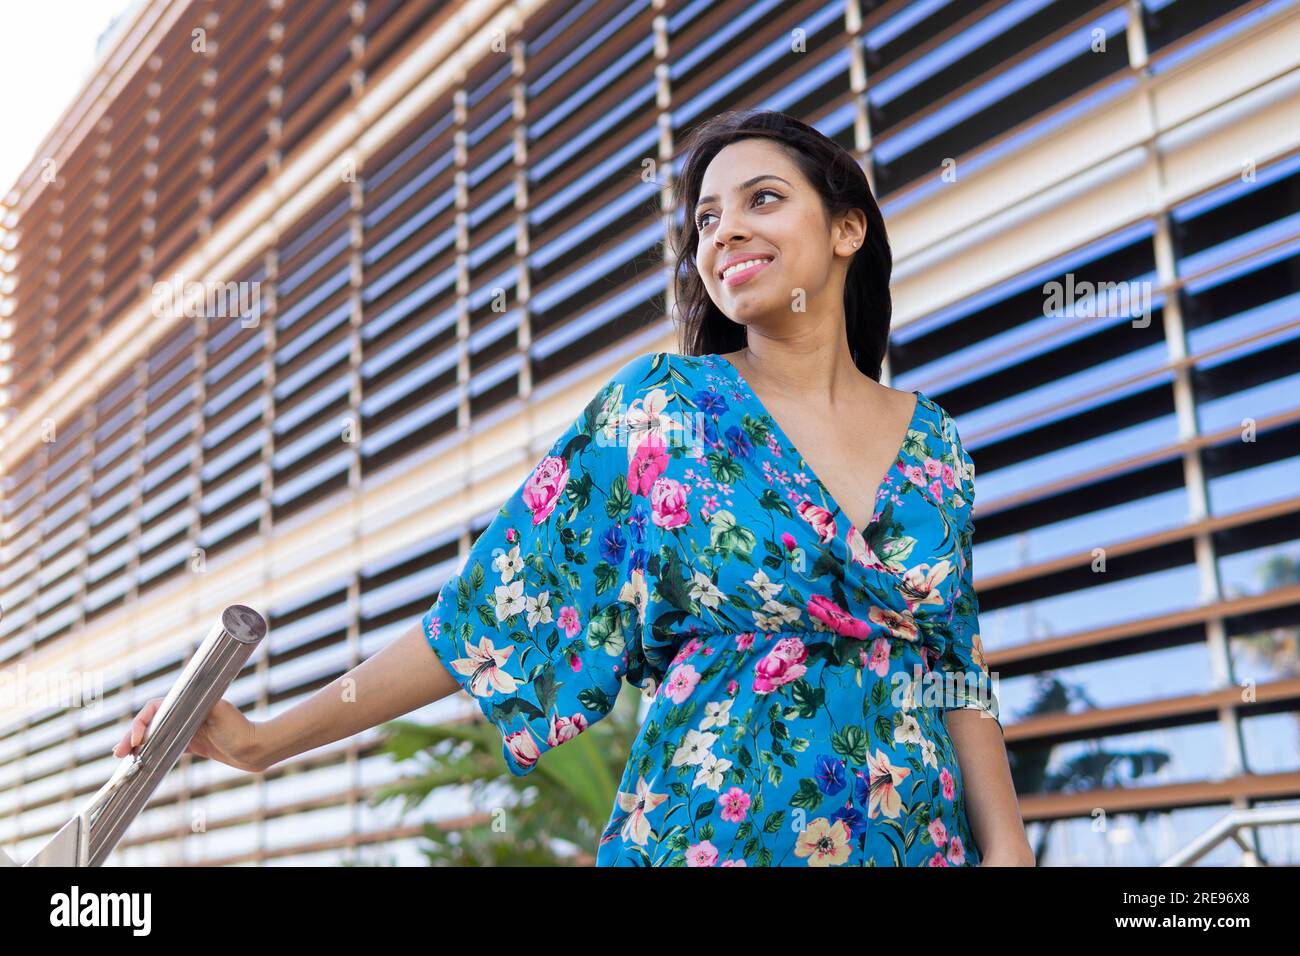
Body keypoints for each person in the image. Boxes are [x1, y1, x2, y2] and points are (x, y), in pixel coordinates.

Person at [116, 108, 1033, 867]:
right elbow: (488, 612)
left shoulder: (934, 441)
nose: (727, 232)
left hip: (914, 838)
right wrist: (264, 741)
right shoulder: (660, 411)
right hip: (705, 832)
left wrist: (1008, 854)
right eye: (706, 220)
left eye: (762, 199)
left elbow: (954, 666)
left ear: (847, 228)